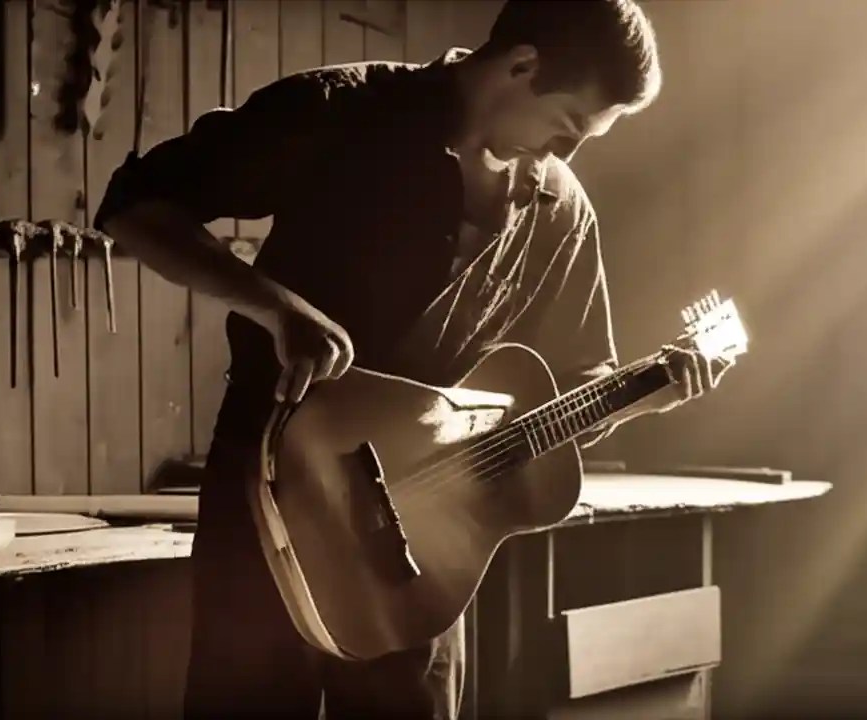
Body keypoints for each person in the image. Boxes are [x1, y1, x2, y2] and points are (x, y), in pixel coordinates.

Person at [95, 1, 729, 717]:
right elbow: (136, 208)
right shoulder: (342, 111)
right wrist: (276, 307)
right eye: (568, 128)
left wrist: (642, 393)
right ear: (522, 66)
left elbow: (584, 374)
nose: (565, 155)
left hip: (425, 544)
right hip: (269, 486)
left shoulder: (560, 208)